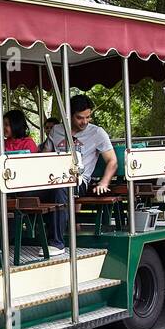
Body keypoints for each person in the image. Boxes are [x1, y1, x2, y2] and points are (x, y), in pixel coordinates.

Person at [46, 93, 118, 247]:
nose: (85, 121)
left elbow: (112, 161)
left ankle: (56, 243)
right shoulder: (56, 130)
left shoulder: (97, 132)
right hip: (52, 178)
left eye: (88, 117)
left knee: (61, 188)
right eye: (80, 117)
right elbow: (44, 155)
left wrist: (104, 183)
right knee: (22, 192)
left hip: (79, 180)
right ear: (69, 115)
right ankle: (6, 240)